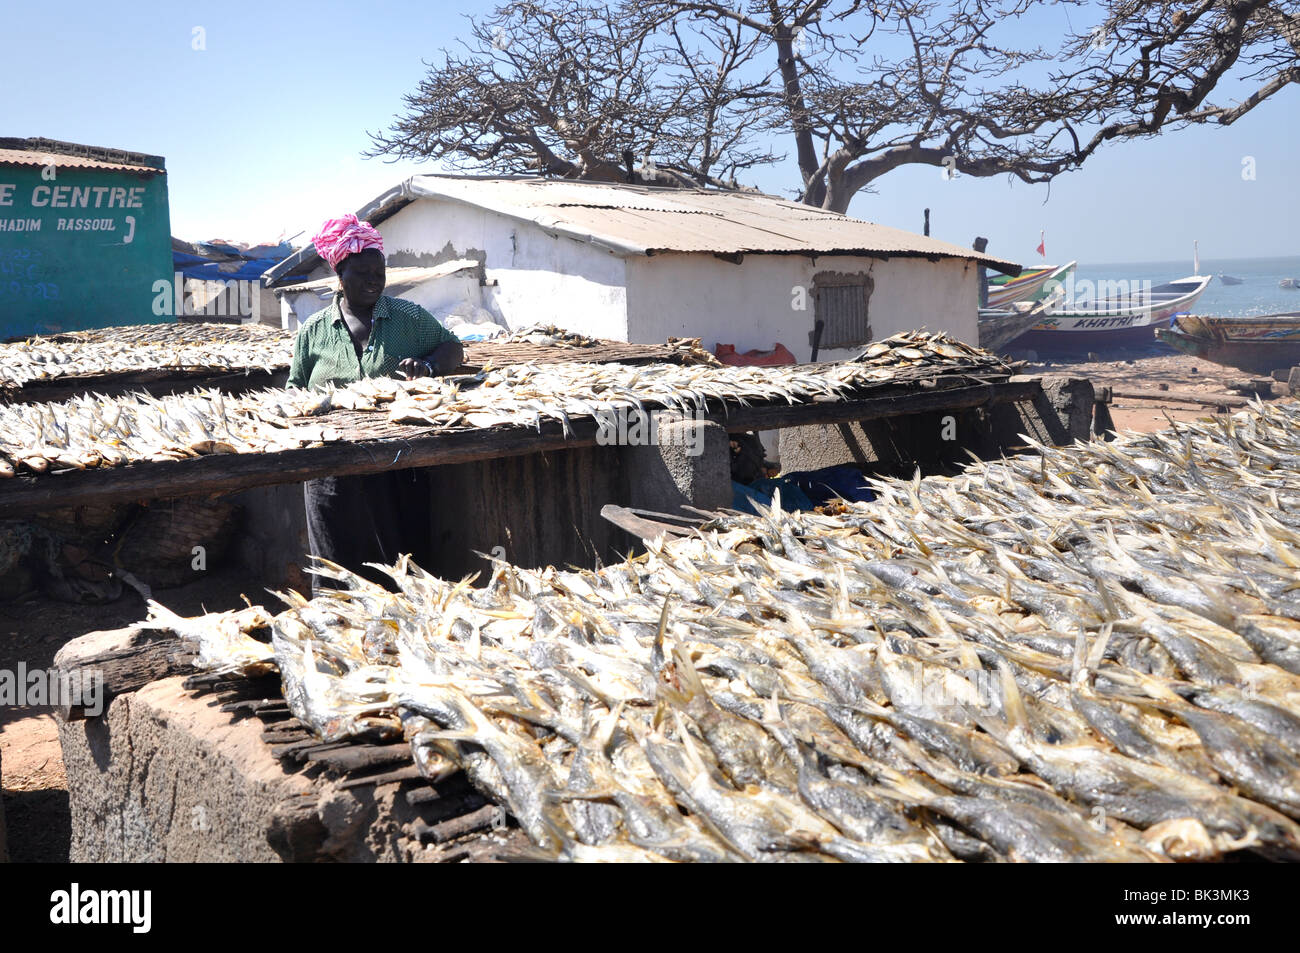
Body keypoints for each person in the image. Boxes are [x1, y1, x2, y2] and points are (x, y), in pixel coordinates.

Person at [289, 213, 464, 591]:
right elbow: (295, 391)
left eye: (379, 272)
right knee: (338, 571)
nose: (374, 280)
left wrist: (430, 366)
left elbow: (454, 348)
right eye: (363, 273)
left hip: (399, 465)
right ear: (340, 276)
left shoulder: (409, 317)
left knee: (402, 568)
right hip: (331, 472)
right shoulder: (313, 331)